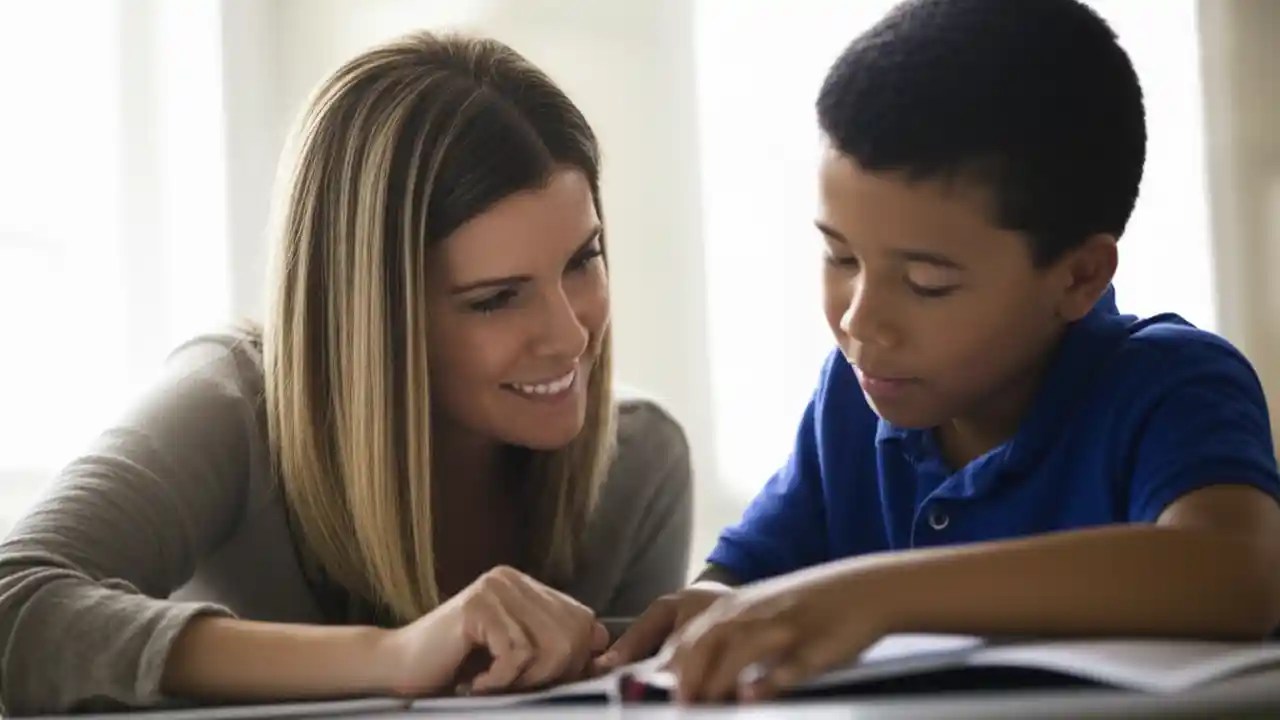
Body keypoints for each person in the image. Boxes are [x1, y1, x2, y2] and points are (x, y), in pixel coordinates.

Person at [601, 0, 1280, 703]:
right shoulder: (853, 401)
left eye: (927, 284)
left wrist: (875, 596)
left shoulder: (1170, 383)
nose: (861, 322)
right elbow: (742, 581)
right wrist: (704, 613)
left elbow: (1236, 574)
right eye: (841, 257)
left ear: (1078, 276)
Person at [0, 32, 692, 715]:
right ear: (369, 312)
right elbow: (14, 604)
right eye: (495, 299)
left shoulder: (639, 467)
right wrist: (392, 658)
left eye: (583, 259)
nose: (571, 335)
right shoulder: (231, 407)